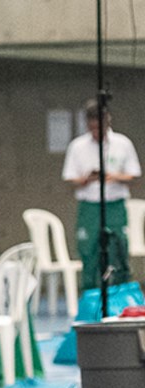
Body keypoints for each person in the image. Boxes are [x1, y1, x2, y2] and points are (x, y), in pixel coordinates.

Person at [62, 100, 140, 292]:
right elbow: (70, 178)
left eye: (100, 126)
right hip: (89, 206)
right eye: (92, 127)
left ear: (108, 120)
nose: (96, 131)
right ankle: (91, 297)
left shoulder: (123, 144)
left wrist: (113, 176)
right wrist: (87, 179)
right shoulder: (78, 146)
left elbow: (133, 174)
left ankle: (120, 298)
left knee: (118, 249)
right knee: (89, 251)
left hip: (115, 204)